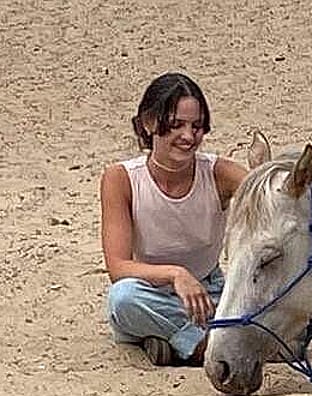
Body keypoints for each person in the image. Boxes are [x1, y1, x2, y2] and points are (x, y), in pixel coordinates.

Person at [100, 72, 248, 366]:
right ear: (148, 123)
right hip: (149, 291)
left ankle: (169, 338)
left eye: (196, 127)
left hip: (210, 292)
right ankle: (201, 345)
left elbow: (268, 194)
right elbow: (118, 267)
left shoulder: (219, 172)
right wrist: (176, 275)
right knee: (123, 299)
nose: (188, 137)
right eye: (176, 125)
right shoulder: (121, 178)